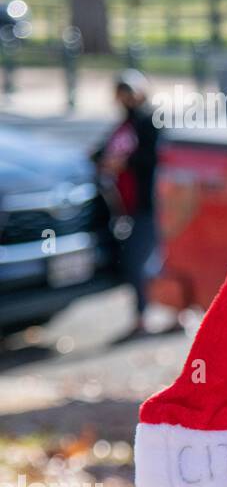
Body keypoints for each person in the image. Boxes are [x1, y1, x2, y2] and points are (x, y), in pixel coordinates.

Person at [90, 70, 162, 343]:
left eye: (131, 91)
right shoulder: (124, 125)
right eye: (122, 92)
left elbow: (151, 159)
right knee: (144, 261)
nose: (127, 98)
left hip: (147, 205)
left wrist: (123, 163)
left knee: (137, 260)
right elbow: (101, 152)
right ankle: (159, 313)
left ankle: (146, 317)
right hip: (126, 207)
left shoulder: (150, 121)